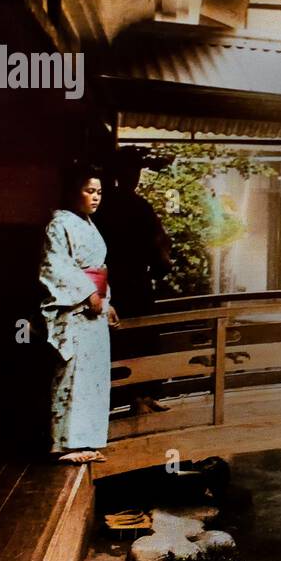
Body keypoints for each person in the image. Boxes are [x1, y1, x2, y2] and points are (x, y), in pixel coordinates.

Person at [40, 166, 118, 463]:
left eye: (99, 192)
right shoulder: (59, 223)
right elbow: (56, 266)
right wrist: (88, 294)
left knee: (93, 375)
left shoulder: (87, 224)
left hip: (93, 308)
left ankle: (86, 440)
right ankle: (65, 443)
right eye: (89, 191)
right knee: (72, 372)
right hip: (75, 309)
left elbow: (99, 269)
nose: (95, 197)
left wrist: (105, 300)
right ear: (73, 191)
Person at [94, 148, 172, 413]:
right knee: (139, 338)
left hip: (112, 284)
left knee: (128, 340)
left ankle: (139, 395)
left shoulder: (105, 206)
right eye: (132, 171)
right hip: (130, 284)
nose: (135, 176)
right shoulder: (135, 206)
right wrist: (161, 266)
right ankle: (140, 395)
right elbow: (159, 248)